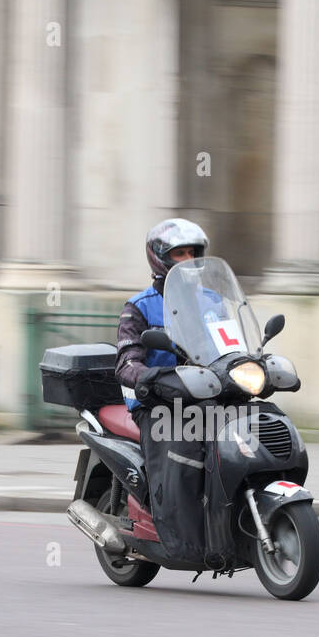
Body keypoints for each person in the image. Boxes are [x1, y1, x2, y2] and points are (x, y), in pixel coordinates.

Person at [114, 218, 211, 561]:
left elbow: (233, 342)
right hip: (157, 404)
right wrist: (152, 378)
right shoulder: (139, 307)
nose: (187, 260)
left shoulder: (213, 302)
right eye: (179, 253)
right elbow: (126, 362)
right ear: (160, 258)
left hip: (208, 396)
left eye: (193, 253)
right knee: (183, 444)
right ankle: (179, 540)